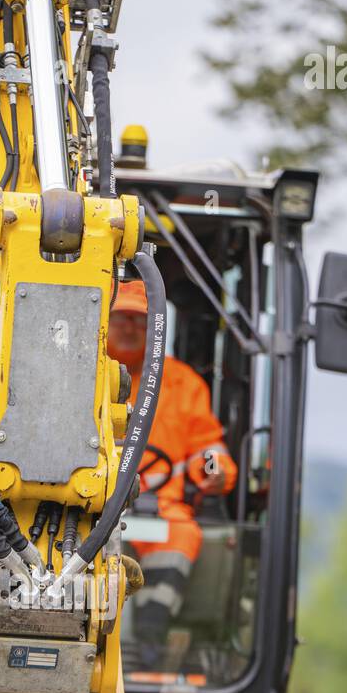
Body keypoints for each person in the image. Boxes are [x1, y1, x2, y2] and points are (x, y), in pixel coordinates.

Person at [108, 278, 238, 666]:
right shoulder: (81, 372)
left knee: (181, 533)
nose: (131, 328)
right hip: (91, 505)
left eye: (141, 321)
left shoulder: (183, 384)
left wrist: (215, 471)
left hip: (160, 508)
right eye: (122, 318)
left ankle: (149, 638)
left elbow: (208, 450)